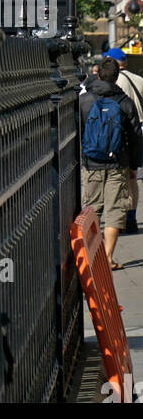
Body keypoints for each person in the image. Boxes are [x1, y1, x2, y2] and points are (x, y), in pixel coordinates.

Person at [79, 56, 143, 269]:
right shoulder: (124, 102)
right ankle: (107, 257)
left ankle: (90, 256)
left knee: (92, 209)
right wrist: (134, 166)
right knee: (115, 210)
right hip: (118, 163)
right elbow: (135, 137)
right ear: (116, 77)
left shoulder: (85, 100)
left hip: (91, 162)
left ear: (98, 74)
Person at [103, 46, 143, 233]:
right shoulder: (139, 80)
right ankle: (132, 217)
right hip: (140, 129)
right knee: (133, 176)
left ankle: (119, 217)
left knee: (118, 176)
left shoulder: (114, 80)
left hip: (122, 131)